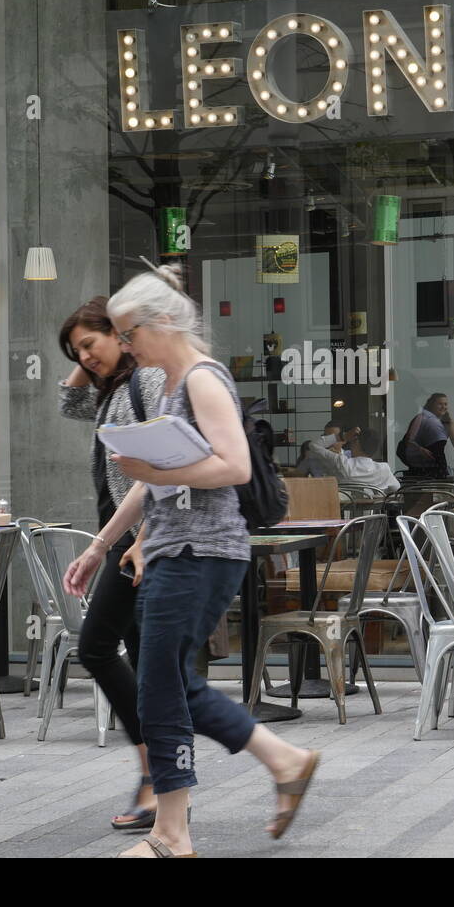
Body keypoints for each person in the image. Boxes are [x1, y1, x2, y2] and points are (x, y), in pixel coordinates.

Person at [62, 263, 318, 859]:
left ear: (163, 324)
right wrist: (103, 544)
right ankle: (284, 762)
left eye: (130, 334)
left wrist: (154, 473)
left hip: (201, 553)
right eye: (120, 335)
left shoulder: (202, 380)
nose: (126, 346)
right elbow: (146, 485)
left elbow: (234, 468)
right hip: (178, 549)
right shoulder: (177, 385)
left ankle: (172, 835)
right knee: (169, 682)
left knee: (159, 686)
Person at [58, 296, 166, 832]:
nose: (83, 357)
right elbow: (67, 399)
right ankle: (159, 782)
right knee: (145, 663)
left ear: (119, 334)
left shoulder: (146, 382)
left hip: (143, 540)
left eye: (89, 343)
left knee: (99, 647)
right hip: (123, 538)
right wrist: (91, 349)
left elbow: (163, 467)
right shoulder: (109, 392)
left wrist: (138, 538)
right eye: (75, 349)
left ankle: (156, 779)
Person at [304, 426, 400, 493]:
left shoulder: (342, 462)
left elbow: (313, 445)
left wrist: (343, 436)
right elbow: (396, 488)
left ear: (357, 443)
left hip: (345, 518)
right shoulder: (384, 469)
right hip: (374, 518)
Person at [399, 393, 454, 477]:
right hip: (421, 463)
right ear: (432, 405)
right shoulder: (421, 418)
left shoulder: (448, 421)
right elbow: (408, 439)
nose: (443, 407)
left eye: (445, 404)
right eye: (440, 404)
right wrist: (420, 449)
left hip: (438, 462)